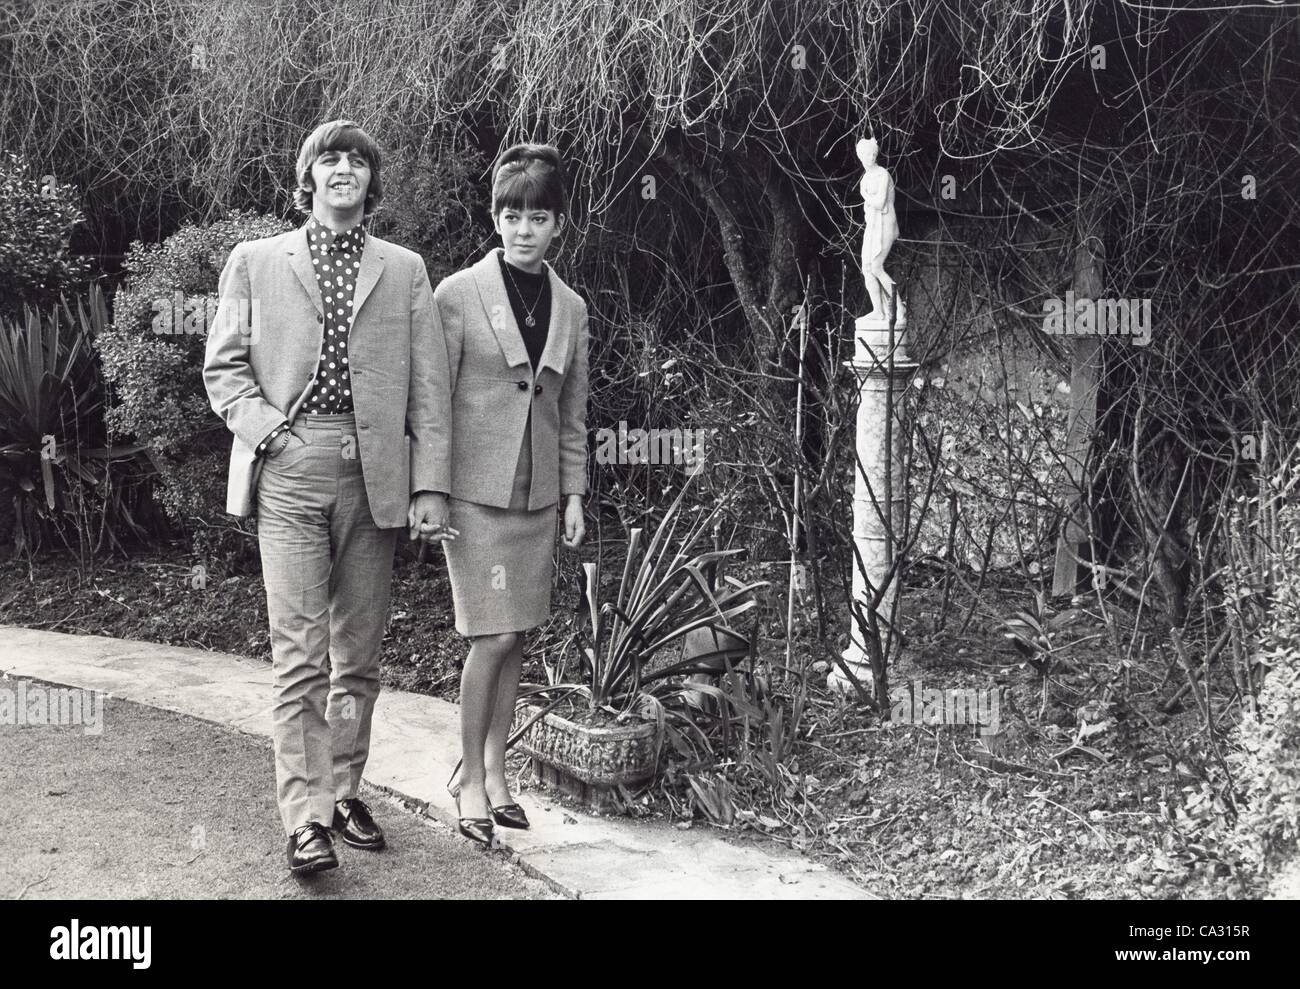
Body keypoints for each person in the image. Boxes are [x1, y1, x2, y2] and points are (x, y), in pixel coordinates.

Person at [203, 119, 455, 875]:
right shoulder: (254, 261)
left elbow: (430, 390)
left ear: (371, 182)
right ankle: (306, 818)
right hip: (291, 465)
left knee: (360, 656)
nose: (343, 170)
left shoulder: (405, 269)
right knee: (300, 655)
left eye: (356, 161)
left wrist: (431, 484)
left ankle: (346, 790)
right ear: (307, 177)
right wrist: (272, 433)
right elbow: (224, 368)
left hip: (376, 474)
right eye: (328, 160)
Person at [433, 142, 589, 846]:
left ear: (559, 222)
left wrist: (575, 495)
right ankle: (467, 777)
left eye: (537, 216)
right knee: (490, 635)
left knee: (518, 632)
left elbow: (574, 412)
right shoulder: (457, 295)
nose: (523, 228)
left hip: (538, 498)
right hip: (473, 497)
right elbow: (430, 402)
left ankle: (497, 771)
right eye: (511, 214)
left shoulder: (572, 307)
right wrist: (428, 490)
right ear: (495, 218)